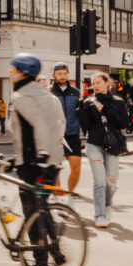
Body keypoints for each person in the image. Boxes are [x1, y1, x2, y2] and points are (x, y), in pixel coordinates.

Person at [6, 55, 67, 266]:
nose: (10, 74)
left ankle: (41, 265)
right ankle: (56, 251)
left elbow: (38, 125)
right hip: (53, 161)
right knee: (42, 208)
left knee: (32, 213)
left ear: (22, 73)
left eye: (13, 70)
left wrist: (39, 153)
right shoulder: (49, 97)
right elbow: (60, 124)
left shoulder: (21, 96)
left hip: (34, 163)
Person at [77, 72, 127, 228]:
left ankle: (107, 205)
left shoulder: (118, 102)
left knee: (111, 183)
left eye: (98, 82)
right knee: (99, 181)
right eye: (93, 83)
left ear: (107, 83)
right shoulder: (88, 102)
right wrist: (81, 107)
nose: (95, 85)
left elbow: (123, 123)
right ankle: (99, 215)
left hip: (113, 146)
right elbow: (86, 127)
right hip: (94, 145)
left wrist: (105, 110)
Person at [49, 64, 83, 196]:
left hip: (72, 134)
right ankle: (58, 198)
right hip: (55, 136)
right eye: (59, 74)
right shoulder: (48, 92)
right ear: (54, 75)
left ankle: (69, 196)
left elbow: (81, 113)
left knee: (76, 168)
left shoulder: (76, 92)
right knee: (54, 169)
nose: (62, 76)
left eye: (65, 73)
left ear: (68, 74)